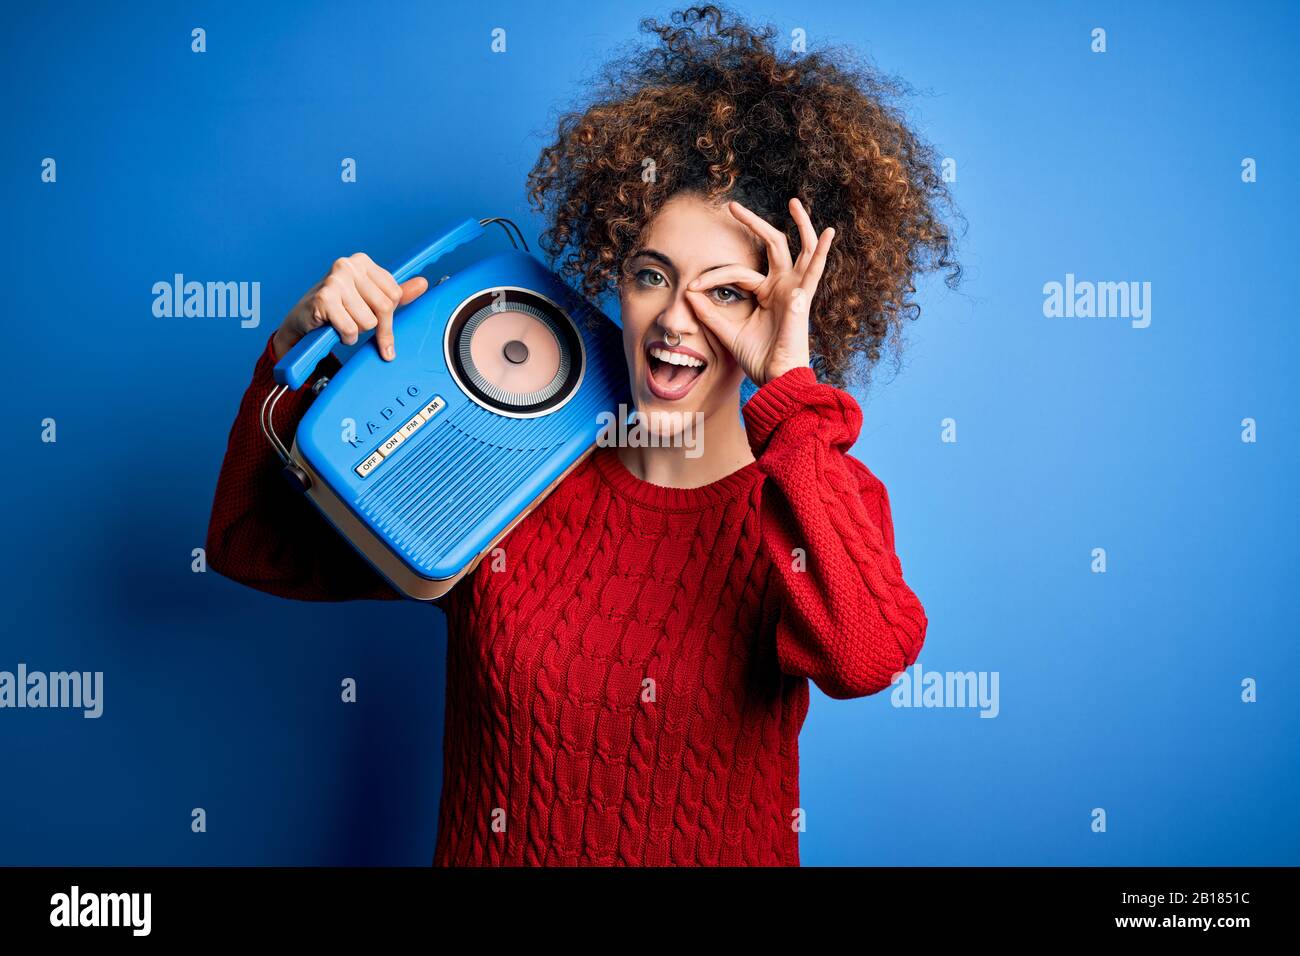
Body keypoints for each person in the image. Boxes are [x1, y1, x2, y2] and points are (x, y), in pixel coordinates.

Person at [205, 4, 960, 866]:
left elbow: (865, 655)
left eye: (728, 294)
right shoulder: (513, 464)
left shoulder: (807, 498)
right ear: (618, 277)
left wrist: (790, 387)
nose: (676, 320)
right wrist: (290, 347)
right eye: (652, 277)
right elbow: (246, 545)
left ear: (779, 312)